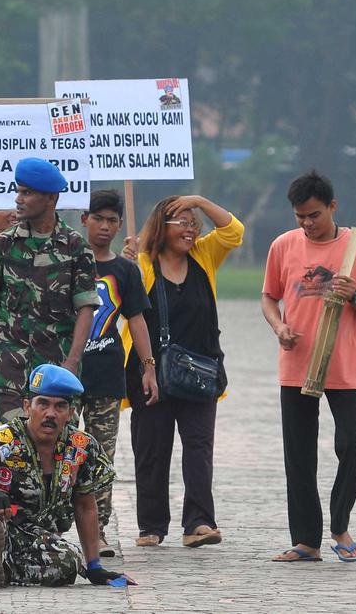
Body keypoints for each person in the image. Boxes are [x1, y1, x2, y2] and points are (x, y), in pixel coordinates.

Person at [261, 171, 356, 563]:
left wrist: (354, 296)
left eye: (314, 215)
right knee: (298, 454)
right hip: (296, 364)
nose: (307, 224)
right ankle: (306, 540)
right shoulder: (283, 246)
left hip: (343, 365)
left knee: (351, 443)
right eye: (300, 217)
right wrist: (279, 327)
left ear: (332, 207)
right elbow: (268, 298)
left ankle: (340, 524)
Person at [0, 364, 133, 588]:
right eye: (43, 403)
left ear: (71, 412)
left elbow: (85, 506)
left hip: (38, 539)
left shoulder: (82, 447)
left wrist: (94, 566)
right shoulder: (1, 440)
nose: (50, 413)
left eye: (60, 406)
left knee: (69, 562)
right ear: (27, 407)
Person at [123, 195, 243, 548]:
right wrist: (130, 259)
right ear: (163, 226)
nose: (191, 231)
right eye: (183, 223)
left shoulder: (204, 256)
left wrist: (199, 201)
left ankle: (200, 523)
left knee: (199, 448)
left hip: (200, 373)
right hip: (150, 374)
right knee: (151, 449)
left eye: (195, 224)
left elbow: (234, 231)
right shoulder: (141, 264)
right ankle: (152, 525)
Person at [0, 157, 99, 427]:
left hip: (56, 374)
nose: (18, 199)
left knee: (56, 453)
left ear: (50, 197)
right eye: (18, 191)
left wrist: (72, 361)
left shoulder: (75, 248)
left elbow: (86, 309)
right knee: (7, 451)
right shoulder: (3, 244)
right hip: (9, 374)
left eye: (27, 192)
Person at [76, 189, 158, 557]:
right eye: (98, 219)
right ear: (84, 220)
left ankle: (99, 530)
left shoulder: (125, 271)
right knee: (52, 451)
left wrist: (148, 367)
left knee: (100, 456)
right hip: (65, 376)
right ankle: (46, 525)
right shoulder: (68, 261)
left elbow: (137, 320)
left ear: (120, 225)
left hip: (107, 377)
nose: (105, 227)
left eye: (112, 221)